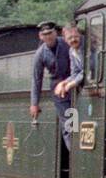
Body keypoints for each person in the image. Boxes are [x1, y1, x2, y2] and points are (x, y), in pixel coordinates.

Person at [30, 21, 72, 150]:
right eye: (45, 34)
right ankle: (74, 154)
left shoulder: (66, 43)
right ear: (40, 36)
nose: (48, 36)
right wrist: (34, 104)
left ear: (55, 33)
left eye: (50, 33)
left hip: (73, 81)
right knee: (68, 123)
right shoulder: (40, 54)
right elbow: (37, 79)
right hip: (58, 89)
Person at [54, 25, 84, 103]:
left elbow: (90, 69)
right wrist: (64, 83)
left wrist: (73, 83)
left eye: (76, 36)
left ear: (80, 35)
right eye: (70, 38)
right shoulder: (71, 51)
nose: (73, 40)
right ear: (65, 40)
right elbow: (75, 72)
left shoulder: (87, 48)